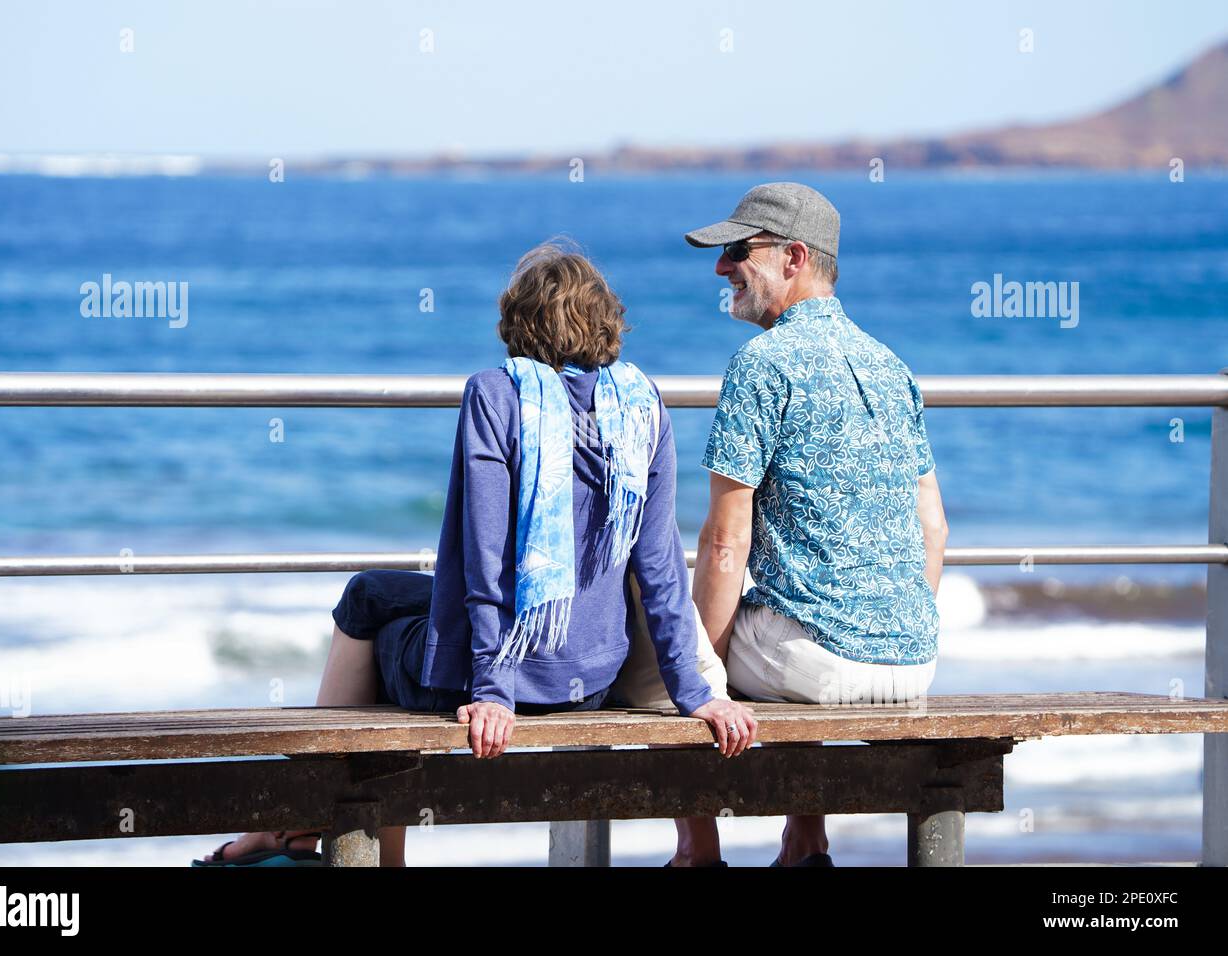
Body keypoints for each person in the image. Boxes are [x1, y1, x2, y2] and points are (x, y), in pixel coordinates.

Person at [195, 241, 757, 867]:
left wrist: (493, 690)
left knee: (376, 646)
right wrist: (696, 691)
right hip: (588, 677)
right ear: (605, 323)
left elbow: (488, 559)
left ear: (518, 324)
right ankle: (306, 829)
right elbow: (657, 568)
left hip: (515, 679)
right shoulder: (641, 403)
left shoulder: (495, 395)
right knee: (369, 592)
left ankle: (313, 828)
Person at [668, 183, 950, 867]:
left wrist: (696, 673)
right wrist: (885, 629)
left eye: (738, 251)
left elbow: (726, 542)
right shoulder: (890, 366)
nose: (720, 267)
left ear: (794, 257)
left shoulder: (760, 367)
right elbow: (934, 529)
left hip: (820, 666)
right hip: (915, 663)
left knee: (669, 640)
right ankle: (805, 839)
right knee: (791, 608)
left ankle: (697, 850)